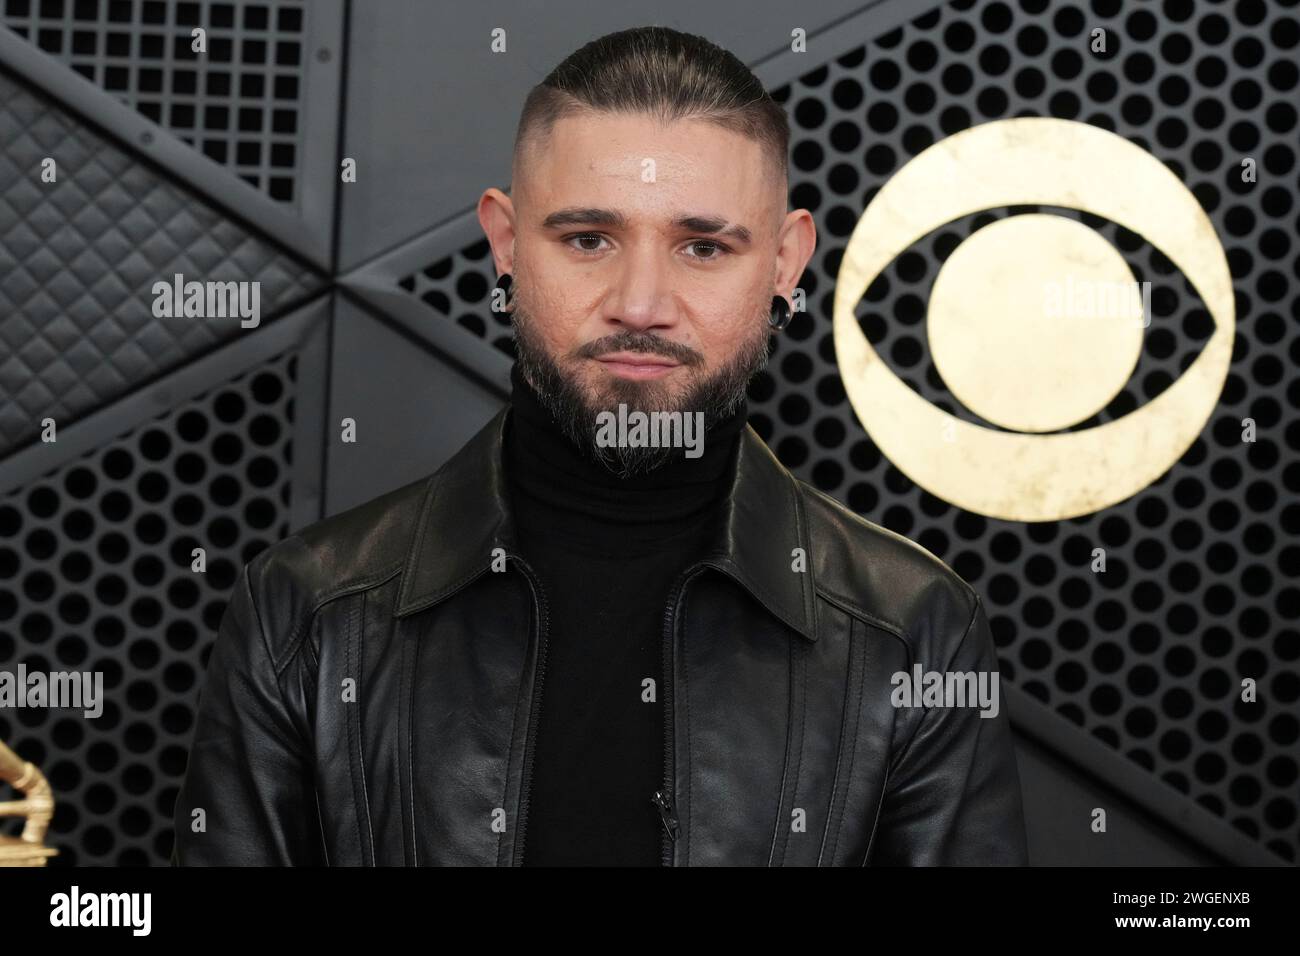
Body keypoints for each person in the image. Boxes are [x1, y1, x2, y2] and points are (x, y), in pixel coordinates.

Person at [173, 25, 1027, 866]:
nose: (642, 303)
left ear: (784, 262)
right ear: (507, 244)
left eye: (702, 246)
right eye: (588, 239)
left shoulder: (914, 629)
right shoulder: (307, 614)